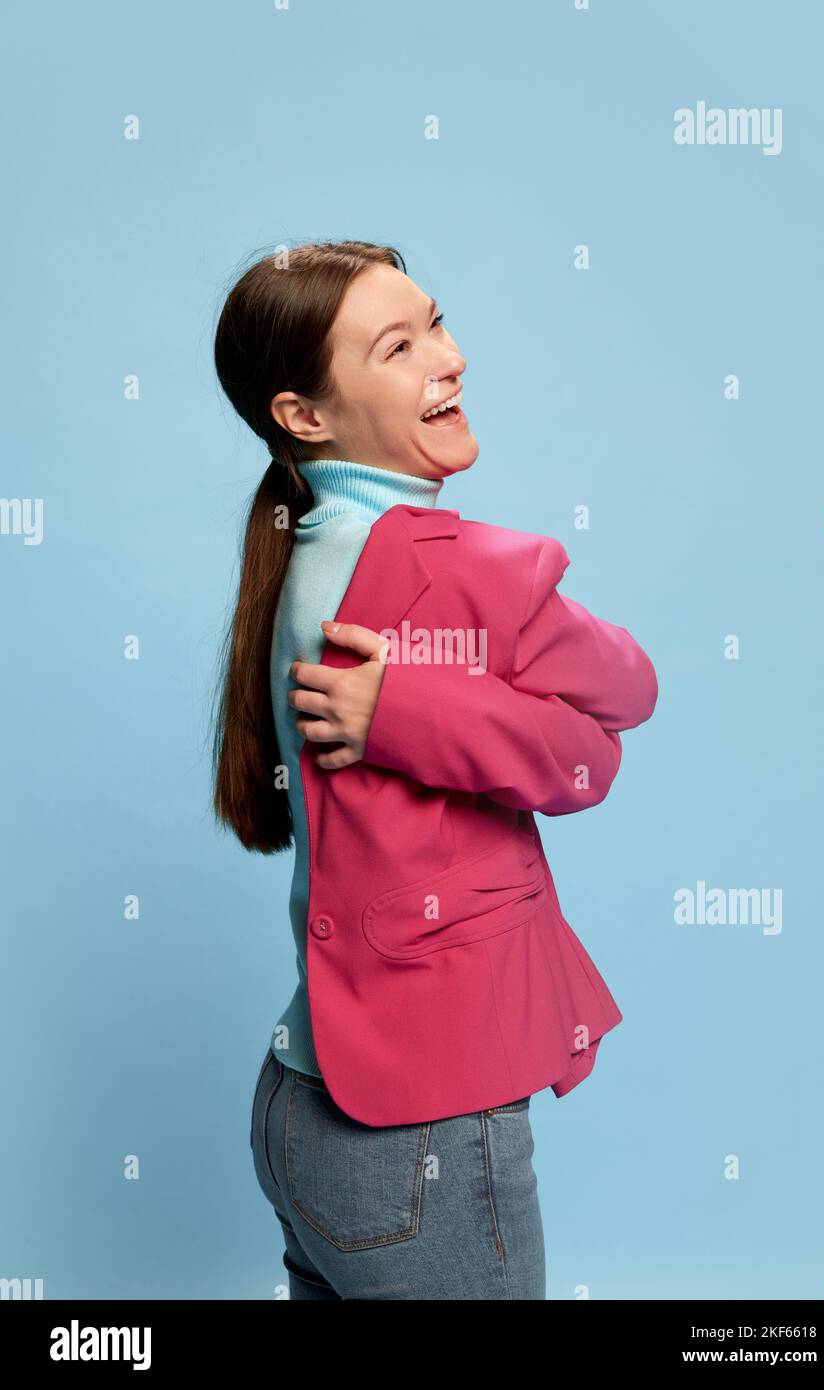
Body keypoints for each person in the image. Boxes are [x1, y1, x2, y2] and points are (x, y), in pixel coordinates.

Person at [211, 239, 658, 1300]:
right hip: (418, 1133)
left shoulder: (302, 555)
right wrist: (442, 715)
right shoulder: (457, 570)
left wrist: (404, 711)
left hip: (302, 1108)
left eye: (437, 323)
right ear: (304, 415)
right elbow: (622, 706)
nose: (446, 359)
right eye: (398, 345)